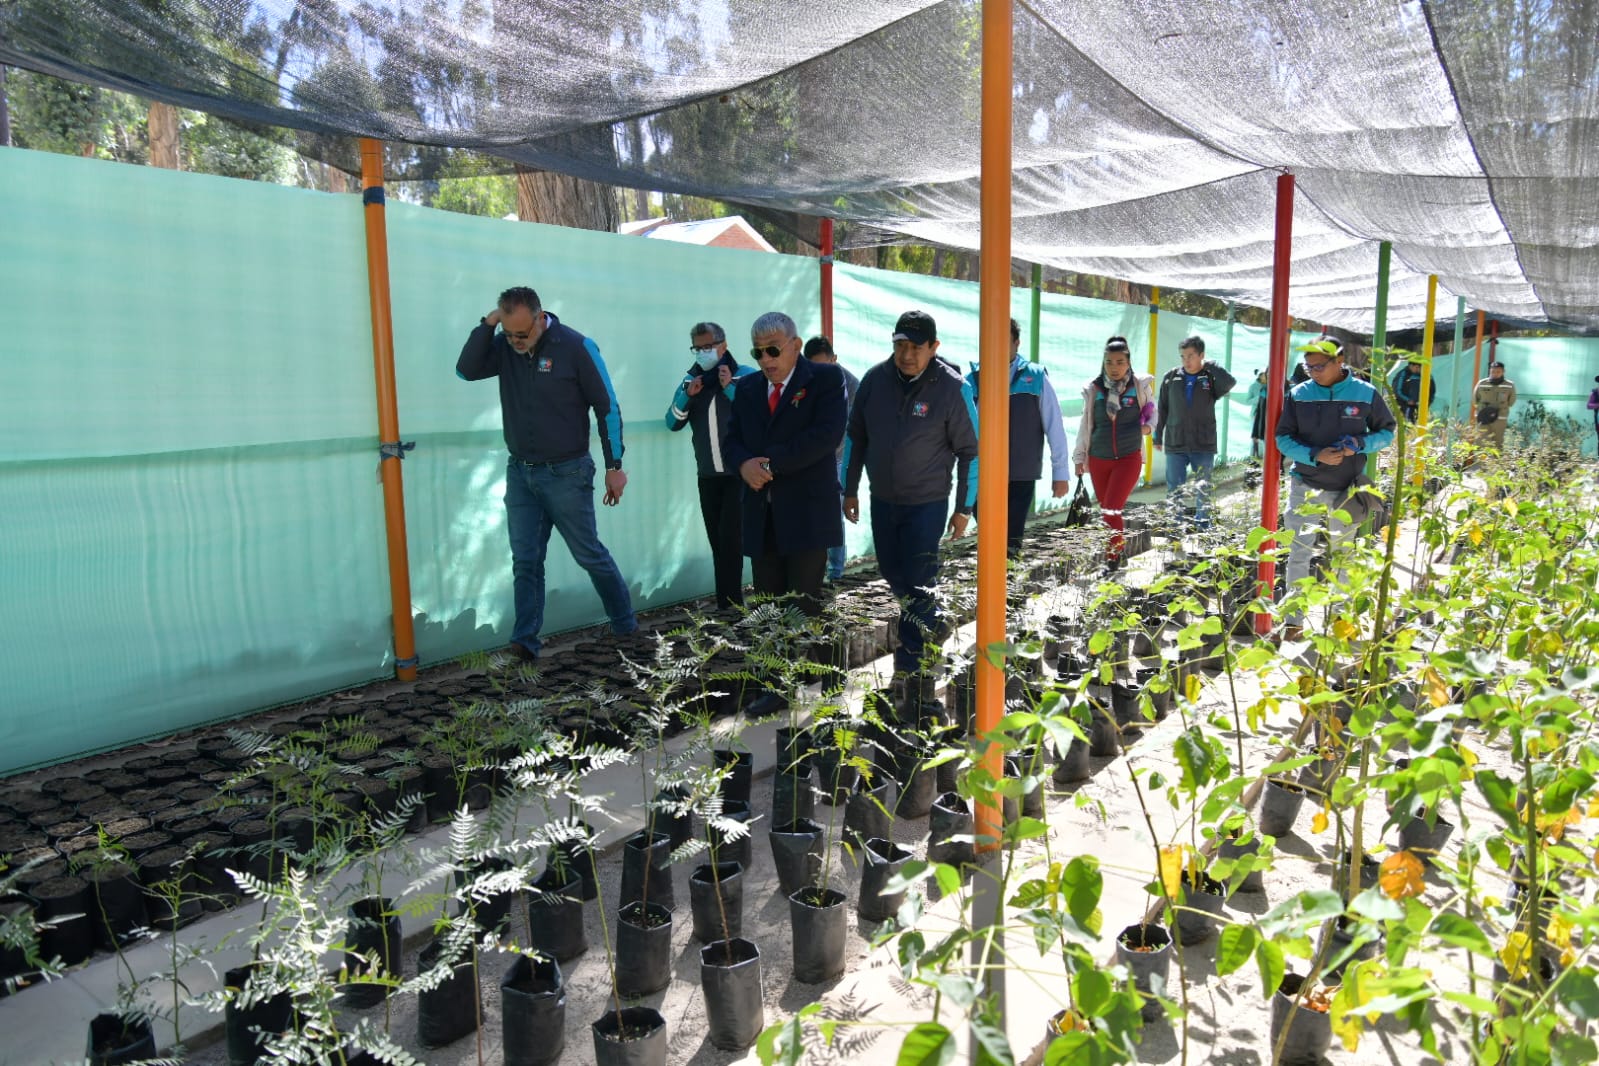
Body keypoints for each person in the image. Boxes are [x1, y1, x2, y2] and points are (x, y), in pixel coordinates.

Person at [457, 286, 637, 661]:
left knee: (588, 555)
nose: (515, 342)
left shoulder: (576, 347)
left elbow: (607, 407)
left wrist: (614, 466)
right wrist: (488, 324)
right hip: (521, 472)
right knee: (525, 560)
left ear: (541, 318)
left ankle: (626, 627)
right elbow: (466, 370)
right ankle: (524, 641)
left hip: (567, 473)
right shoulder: (505, 346)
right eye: (508, 333)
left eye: (521, 334)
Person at [843, 310, 979, 682]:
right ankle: (933, 620)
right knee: (892, 571)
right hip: (884, 500)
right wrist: (849, 489)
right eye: (900, 345)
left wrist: (964, 508)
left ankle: (910, 663)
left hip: (927, 504)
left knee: (918, 579)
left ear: (934, 347)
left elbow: (971, 450)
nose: (906, 355)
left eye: (916, 347)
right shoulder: (875, 380)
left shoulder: (952, 388)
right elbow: (856, 436)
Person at [724, 312, 847, 619]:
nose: (766, 359)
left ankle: (805, 653)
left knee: (802, 611)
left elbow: (826, 435)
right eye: (758, 352)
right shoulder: (747, 388)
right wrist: (743, 465)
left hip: (807, 515)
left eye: (773, 349)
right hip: (762, 514)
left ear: (796, 345)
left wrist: (769, 464)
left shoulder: (825, 379)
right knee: (767, 611)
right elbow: (731, 440)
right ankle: (772, 654)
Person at [1275, 338, 1397, 643]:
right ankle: (1293, 623)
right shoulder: (1299, 395)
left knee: (1343, 556)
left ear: (1339, 361)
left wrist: (1361, 444)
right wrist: (1315, 454)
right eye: (1308, 367)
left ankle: (1341, 623)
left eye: (1319, 366)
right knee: (1299, 553)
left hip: (1347, 490)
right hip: (1305, 487)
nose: (1313, 372)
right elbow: (1283, 438)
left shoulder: (1365, 393)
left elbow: (1386, 431)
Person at [666, 321, 759, 610]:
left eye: (709, 346)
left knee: (732, 540)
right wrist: (688, 395)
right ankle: (728, 604)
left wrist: (729, 387)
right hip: (707, 475)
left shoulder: (745, 375)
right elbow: (672, 422)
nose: (703, 352)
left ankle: (732, 604)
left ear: (724, 345)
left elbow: (757, 416)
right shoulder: (690, 381)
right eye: (698, 348)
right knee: (718, 542)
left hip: (738, 474)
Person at [965, 318, 1070, 555]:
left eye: (1004, 341)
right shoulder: (972, 380)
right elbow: (960, 429)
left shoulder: (1036, 377)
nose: (996, 347)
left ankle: (1008, 573)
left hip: (1021, 473)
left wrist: (1061, 473)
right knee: (988, 534)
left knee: (1011, 540)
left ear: (1017, 343)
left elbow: (1054, 426)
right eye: (991, 341)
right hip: (982, 472)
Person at [1071, 336, 1156, 567]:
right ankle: (1116, 555)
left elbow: (1153, 412)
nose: (1114, 367)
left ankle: (1113, 558)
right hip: (1099, 459)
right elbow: (1085, 425)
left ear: (1128, 363)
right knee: (1107, 511)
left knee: (1111, 509)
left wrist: (1148, 427)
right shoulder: (1094, 389)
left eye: (1120, 362)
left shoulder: (1139, 386)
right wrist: (1079, 457)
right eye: (1109, 362)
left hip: (1128, 458)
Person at [1154, 335, 1236, 530]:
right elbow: (1162, 408)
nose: (1186, 361)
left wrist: (1211, 366)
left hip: (1203, 443)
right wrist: (1157, 436)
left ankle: (1203, 527)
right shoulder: (1171, 377)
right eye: (1183, 356)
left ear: (1201, 355)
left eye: (1191, 356)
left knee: (1203, 488)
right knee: (1175, 489)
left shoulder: (1210, 377)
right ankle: (1175, 528)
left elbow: (1230, 382)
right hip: (1176, 442)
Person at [802, 335, 860, 583]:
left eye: (824, 365)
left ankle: (835, 572)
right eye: (813, 366)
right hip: (808, 457)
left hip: (838, 457)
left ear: (834, 359)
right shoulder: (801, 380)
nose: (819, 372)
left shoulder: (851, 384)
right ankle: (811, 572)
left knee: (834, 513)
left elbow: (858, 424)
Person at [1470, 360, 1517, 450]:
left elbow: (1511, 402)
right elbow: (1475, 400)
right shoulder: (1482, 383)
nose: (1495, 374)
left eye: (1498, 372)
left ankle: (1495, 459)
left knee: (1497, 442)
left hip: (1500, 418)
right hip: (1483, 417)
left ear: (1503, 372)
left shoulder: (1509, 385)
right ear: (1490, 371)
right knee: (1481, 441)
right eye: (1493, 371)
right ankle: (1481, 459)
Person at [1388, 358, 1436, 423]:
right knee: (1409, 423)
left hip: (1421, 407)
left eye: (1420, 367)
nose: (1418, 369)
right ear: (1410, 366)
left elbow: (1432, 391)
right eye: (1416, 367)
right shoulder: (1403, 374)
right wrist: (1408, 400)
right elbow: (1397, 390)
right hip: (1406, 406)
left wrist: (1428, 403)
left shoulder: (1427, 375)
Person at [1247, 369, 1269, 460]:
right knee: (1255, 436)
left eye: (1264, 374)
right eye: (1262, 374)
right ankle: (1253, 456)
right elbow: (1248, 401)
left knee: (1265, 436)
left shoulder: (1270, 385)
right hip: (1256, 414)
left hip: (1267, 414)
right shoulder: (1253, 386)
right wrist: (1259, 399)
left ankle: (1263, 456)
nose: (1264, 376)